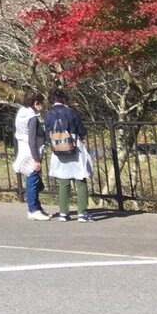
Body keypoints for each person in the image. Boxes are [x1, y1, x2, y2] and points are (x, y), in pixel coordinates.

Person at [44, 88, 92, 222]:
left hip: (57, 148)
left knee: (63, 180)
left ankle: (63, 213)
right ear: (63, 99)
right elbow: (80, 128)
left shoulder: (48, 114)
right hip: (73, 145)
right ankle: (82, 213)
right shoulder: (70, 111)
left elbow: (47, 132)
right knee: (80, 179)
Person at [13, 91, 51, 220]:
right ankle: (33, 210)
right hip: (31, 151)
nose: (42, 106)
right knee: (33, 179)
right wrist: (36, 159)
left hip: (24, 148)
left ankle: (37, 207)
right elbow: (32, 139)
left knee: (33, 179)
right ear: (36, 103)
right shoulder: (32, 117)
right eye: (41, 103)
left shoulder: (22, 112)